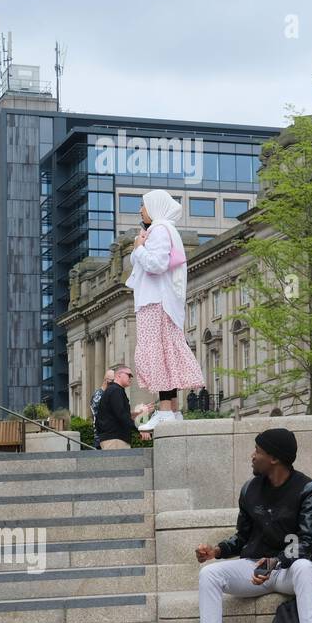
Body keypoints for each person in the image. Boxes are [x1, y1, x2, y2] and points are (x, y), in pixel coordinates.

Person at [187, 428, 312, 623]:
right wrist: (216, 551)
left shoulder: (308, 490)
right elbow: (243, 537)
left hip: (287, 570)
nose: (252, 456)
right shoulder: (250, 489)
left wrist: (275, 562)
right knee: (209, 575)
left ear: (274, 458)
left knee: (306, 568)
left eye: (258, 451)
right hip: (254, 569)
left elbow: (307, 543)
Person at [126, 189, 204, 432]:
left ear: (155, 207)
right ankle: (172, 410)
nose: (140, 210)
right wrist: (140, 245)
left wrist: (139, 247)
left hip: (154, 301)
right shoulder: (162, 230)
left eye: (143, 205)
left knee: (157, 353)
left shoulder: (160, 229)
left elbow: (156, 264)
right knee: (165, 353)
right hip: (160, 300)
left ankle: (165, 411)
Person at [95, 366, 138, 450]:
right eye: (129, 375)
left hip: (114, 438)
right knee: (118, 463)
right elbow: (121, 415)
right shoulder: (115, 390)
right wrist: (139, 429)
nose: (130, 378)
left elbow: (118, 414)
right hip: (114, 439)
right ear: (118, 375)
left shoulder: (114, 390)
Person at [90, 369, 114, 449]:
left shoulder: (108, 394)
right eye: (113, 381)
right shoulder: (98, 396)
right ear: (107, 381)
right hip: (101, 437)